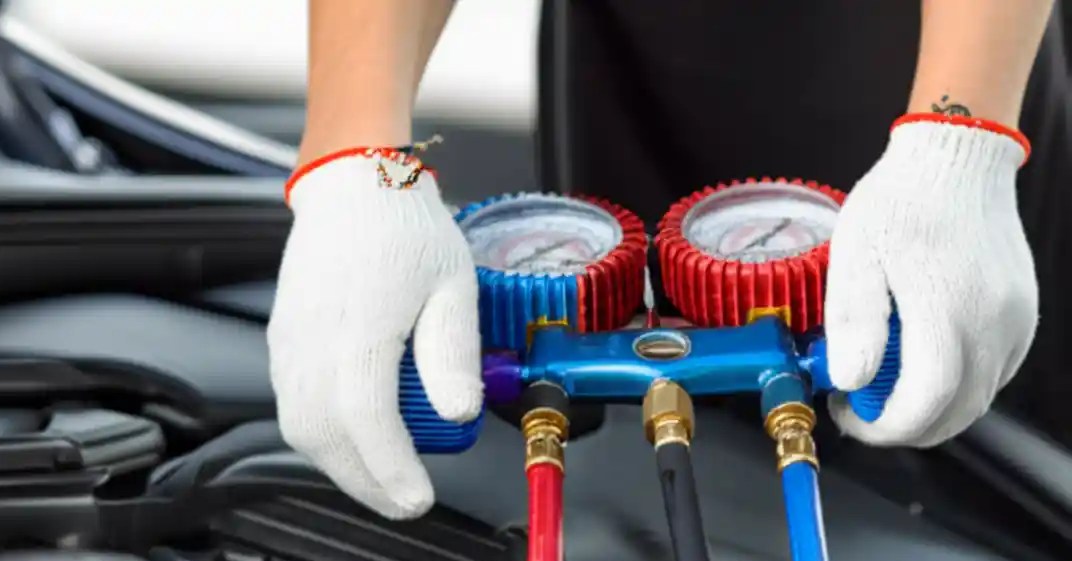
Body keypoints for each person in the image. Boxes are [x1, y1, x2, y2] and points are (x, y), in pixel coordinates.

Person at [269, 0, 1064, 519]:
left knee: (978, 509)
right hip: (630, 60)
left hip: (937, 87)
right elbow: (371, 156)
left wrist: (963, 136)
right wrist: (360, 160)